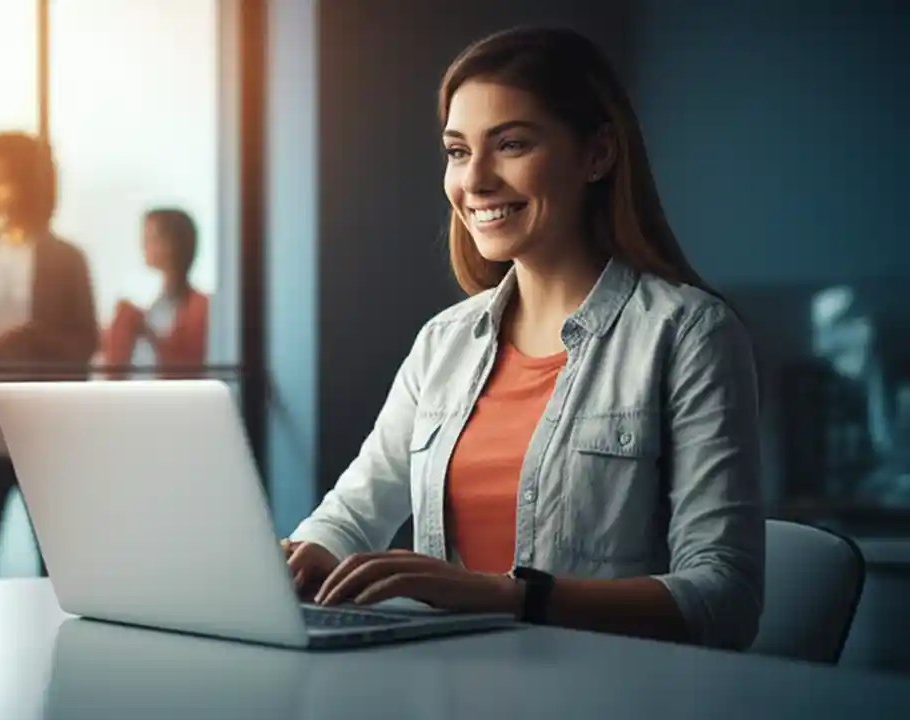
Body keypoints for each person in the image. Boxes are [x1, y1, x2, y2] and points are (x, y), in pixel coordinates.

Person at [283, 27, 764, 650]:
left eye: (510, 144)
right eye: (458, 151)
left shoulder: (690, 334)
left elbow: (724, 599)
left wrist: (511, 596)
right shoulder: (444, 343)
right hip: (451, 687)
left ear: (597, 155)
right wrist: (299, 558)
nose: (475, 180)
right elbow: (351, 515)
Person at [0, 131, 98, 580]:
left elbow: (86, 342)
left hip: (46, 429)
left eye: (2, 180)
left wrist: (38, 337)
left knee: (56, 564)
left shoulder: (66, 258)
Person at [101, 208, 208, 378]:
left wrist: (145, 331)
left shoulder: (198, 308)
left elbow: (188, 369)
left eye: (151, 239)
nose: (143, 246)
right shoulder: (155, 303)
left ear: (171, 245)